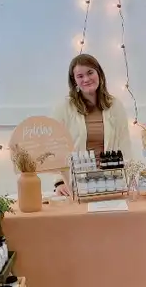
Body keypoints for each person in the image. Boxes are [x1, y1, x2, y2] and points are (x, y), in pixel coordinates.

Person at [52, 53, 133, 196]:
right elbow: (55, 149)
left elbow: (124, 144)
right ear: (74, 81)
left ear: (99, 73)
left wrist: (130, 178)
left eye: (90, 73)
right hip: (77, 185)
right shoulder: (64, 108)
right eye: (80, 76)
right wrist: (59, 182)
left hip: (112, 182)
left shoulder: (115, 105)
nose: (86, 79)